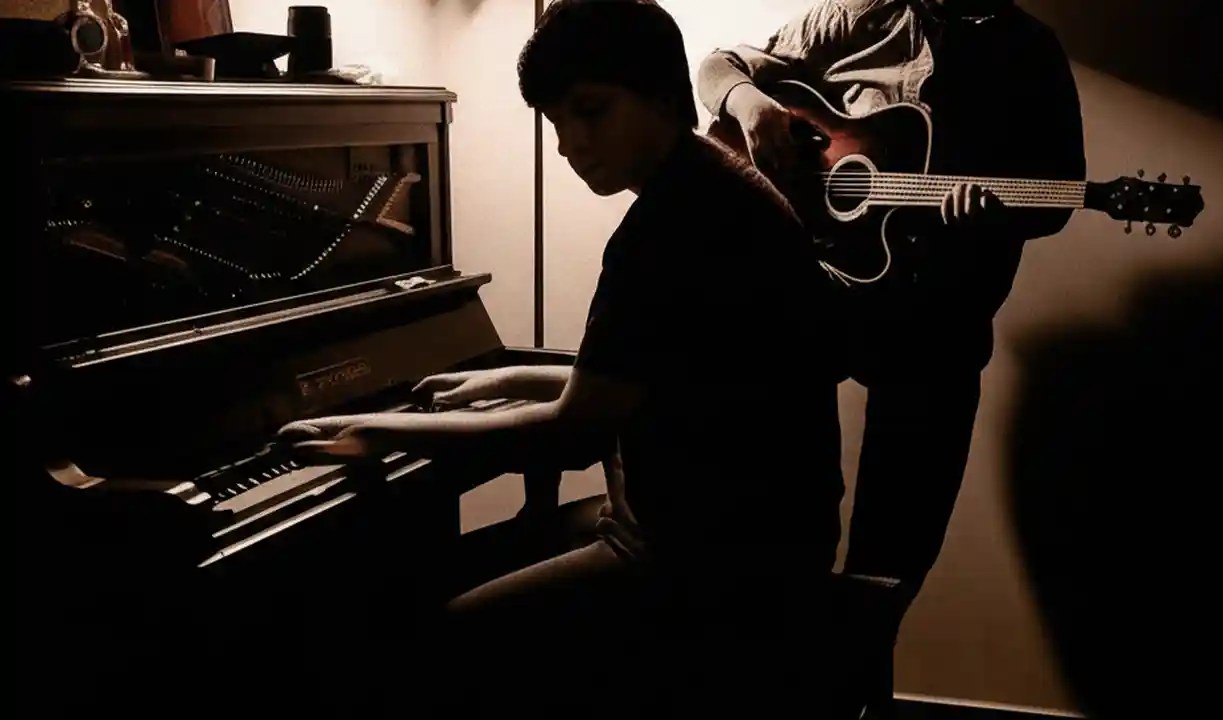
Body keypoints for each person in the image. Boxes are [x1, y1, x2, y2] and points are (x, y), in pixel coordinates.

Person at [276, 0, 851, 714]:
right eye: (557, 121)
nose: (569, 144)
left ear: (665, 95)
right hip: (747, 532)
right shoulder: (714, 181)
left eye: (591, 111)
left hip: (709, 563)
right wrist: (509, 377)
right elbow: (655, 382)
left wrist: (375, 431)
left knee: (435, 635)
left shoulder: (665, 232)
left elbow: (576, 430)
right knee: (430, 577)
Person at [696, 0, 1087, 704]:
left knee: (890, 566)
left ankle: (855, 691)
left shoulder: (1029, 49)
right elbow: (717, 66)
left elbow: (1059, 193)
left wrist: (992, 213)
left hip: (939, 322)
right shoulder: (848, 17)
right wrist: (747, 100)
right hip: (817, 299)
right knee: (773, 525)